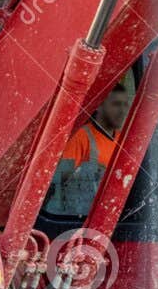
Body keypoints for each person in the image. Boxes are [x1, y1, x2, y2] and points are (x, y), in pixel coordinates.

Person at [45, 83, 129, 216]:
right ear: (99, 106)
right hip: (78, 219)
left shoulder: (124, 141)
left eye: (125, 105)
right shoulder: (81, 137)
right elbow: (56, 178)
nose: (122, 111)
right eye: (116, 104)